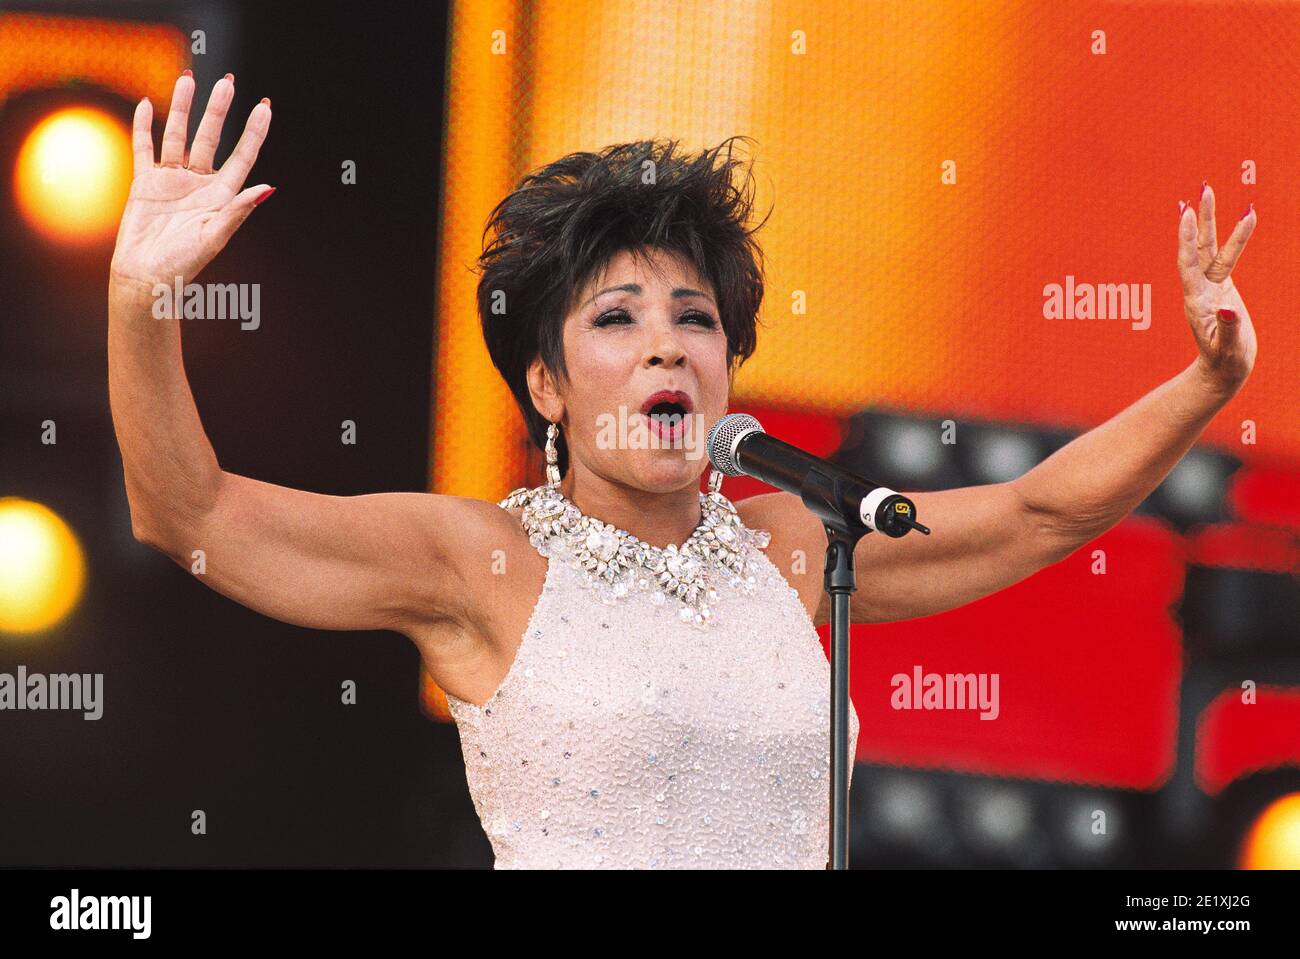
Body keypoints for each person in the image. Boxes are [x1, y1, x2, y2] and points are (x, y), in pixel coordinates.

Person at [108, 72, 1259, 869]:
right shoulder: (478, 558)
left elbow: (1040, 511)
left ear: (726, 366)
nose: (666, 342)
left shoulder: (796, 542)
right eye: (616, 317)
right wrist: (140, 303)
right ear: (546, 387)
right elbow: (188, 510)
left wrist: (1205, 378)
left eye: (694, 318)